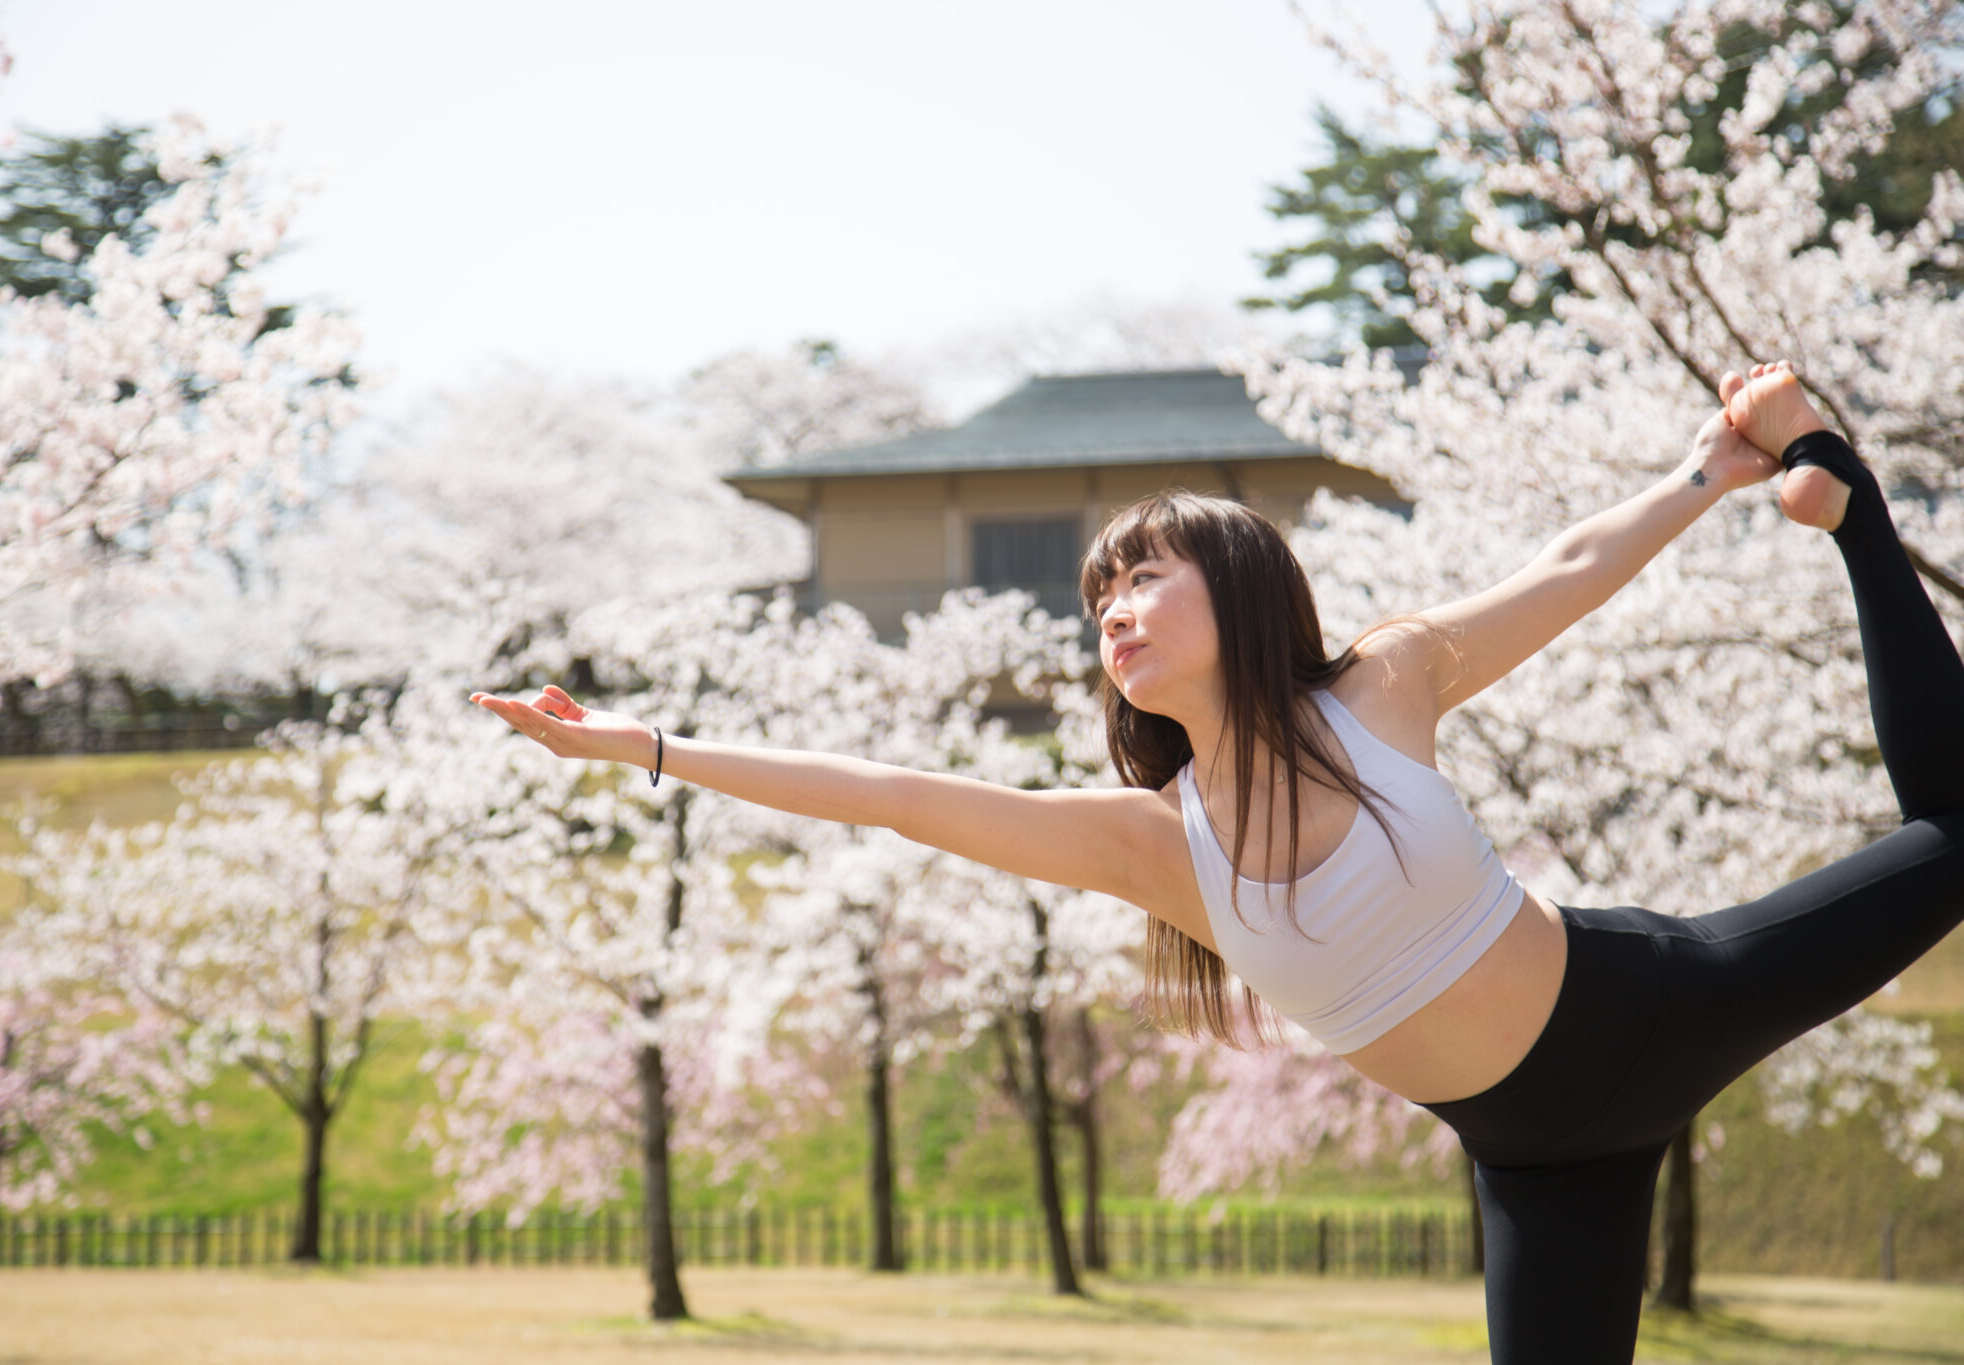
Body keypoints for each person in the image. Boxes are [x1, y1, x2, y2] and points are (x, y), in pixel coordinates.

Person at [472, 363, 1964, 1364]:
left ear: (1235, 577)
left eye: (1140, 575)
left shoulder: (1383, 686)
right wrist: (641, 746)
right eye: (1095, 594)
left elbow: (1569, 564)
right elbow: (893, 795)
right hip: (1535, 1166)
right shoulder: (1155, 847)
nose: (1110, 610)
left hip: (1657, 1001)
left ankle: (1850, 505)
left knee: (1956, 838)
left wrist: (1713, 466)